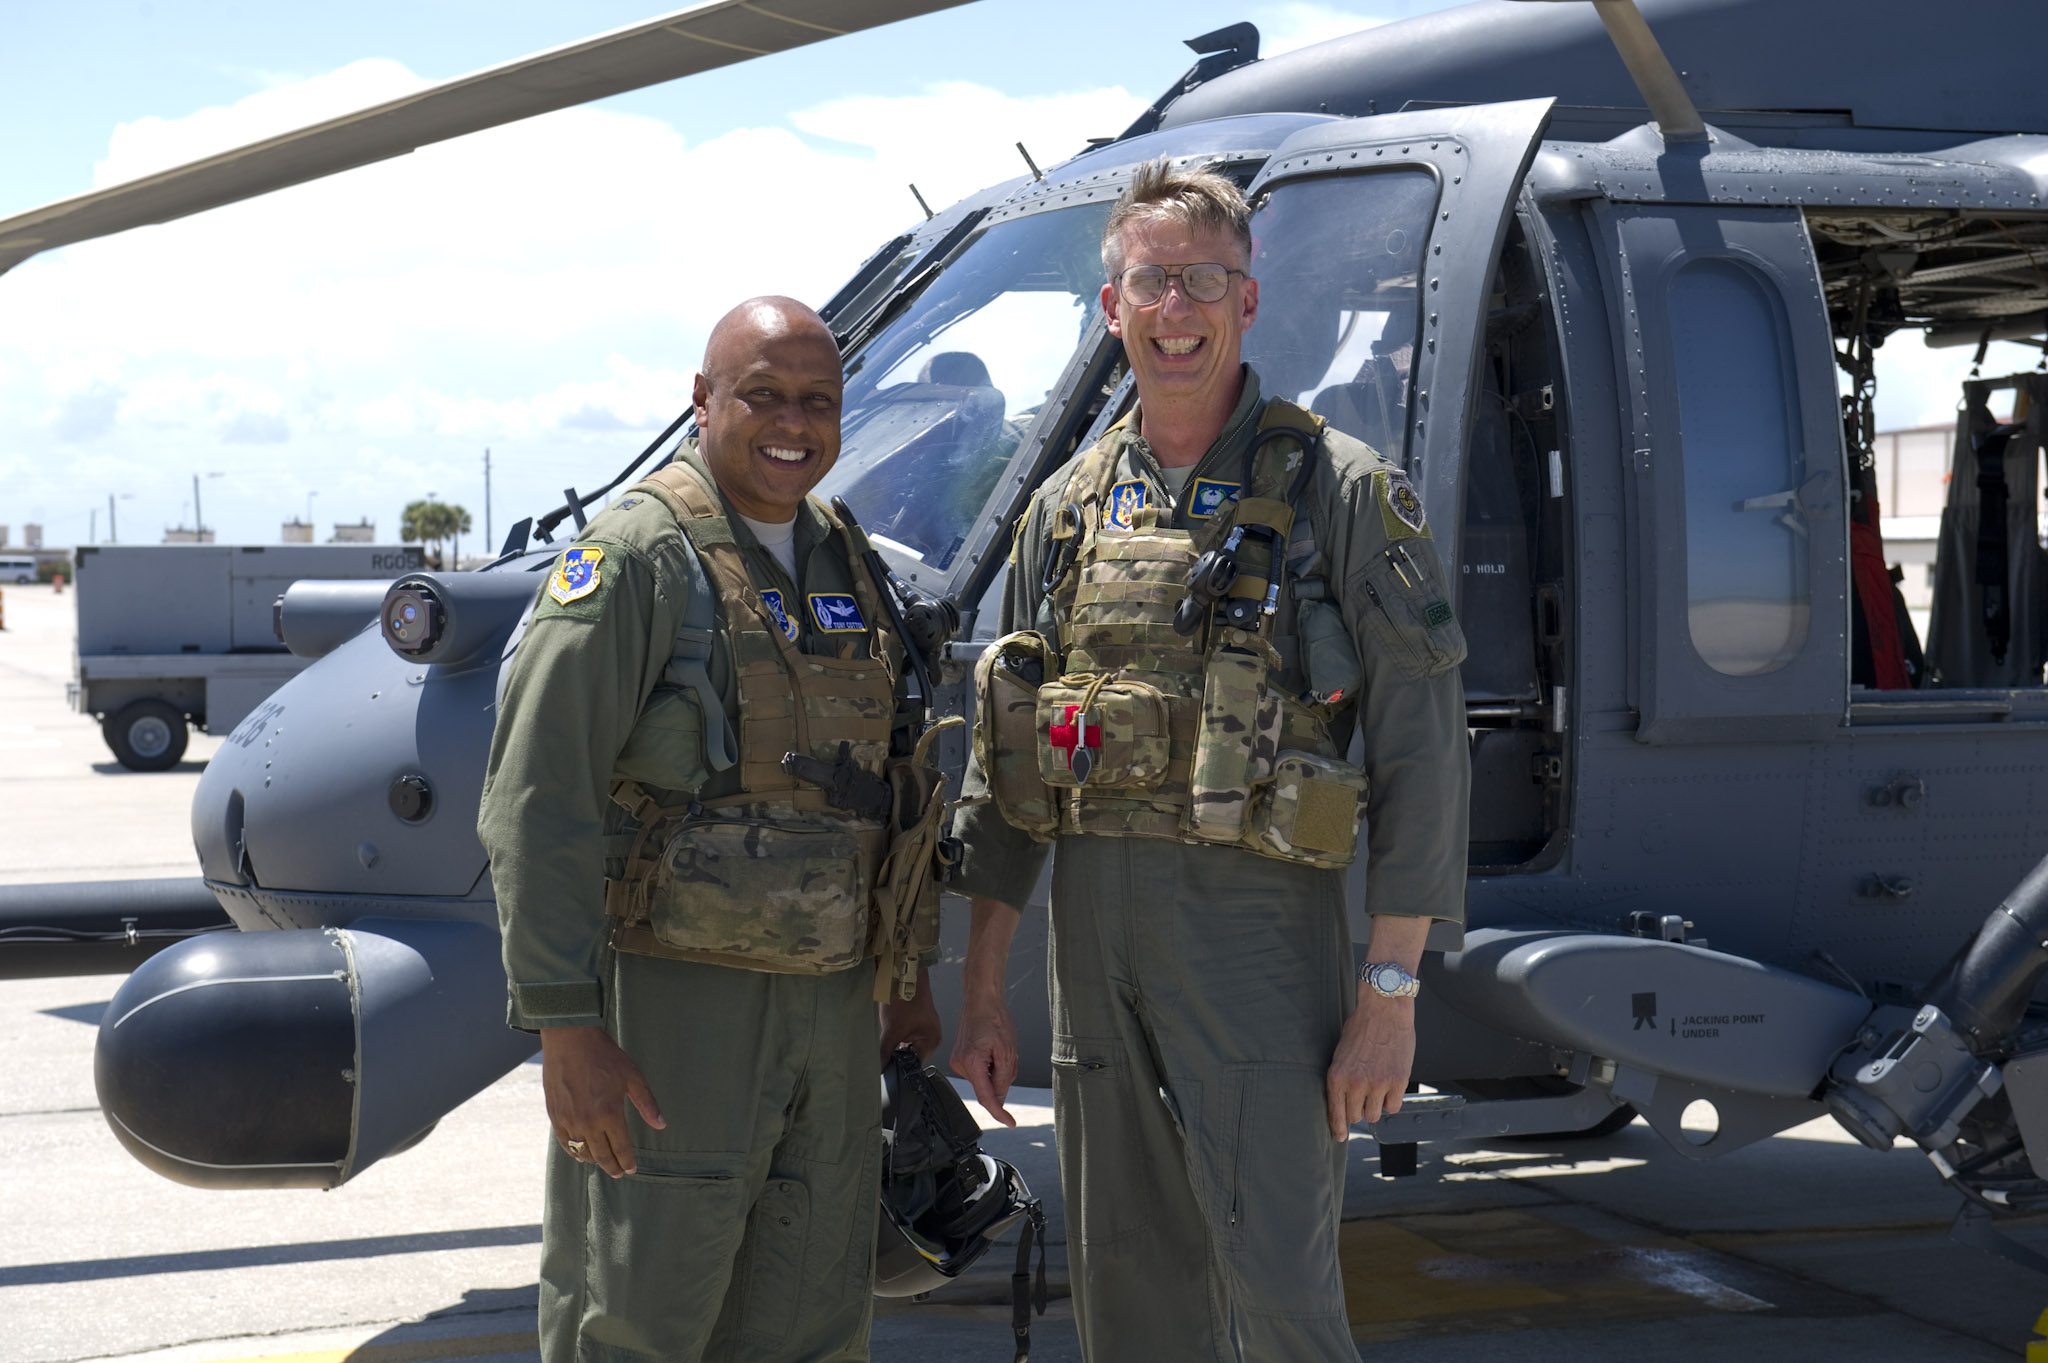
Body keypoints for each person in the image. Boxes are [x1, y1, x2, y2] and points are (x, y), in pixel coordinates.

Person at [948, 160, 1470, 1361]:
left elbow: (1420, 746)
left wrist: (1388, 996)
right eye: (1149, 281)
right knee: (1126, 1293)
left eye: (1200, 281)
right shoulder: (1066, 509)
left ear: (1246, 300)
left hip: (1253, 941)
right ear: (1110, 308)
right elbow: (1008, 762)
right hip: (1092, 946)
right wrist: (982, 983)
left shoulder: (1339, 489)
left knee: (1278, 1288)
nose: (1172, 308)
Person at [479, 296, 944, 1363]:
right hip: (671, 1010)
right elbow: (535, 792)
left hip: (829, 1010)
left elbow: (897, 787)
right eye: (762, 395)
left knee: (814, 1317)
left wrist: (906, 974)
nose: (792, 422)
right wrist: (564, 1024)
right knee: (638, 1317)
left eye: (816, 402)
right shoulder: (636, 556)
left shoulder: (844, 556)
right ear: (702, 401)